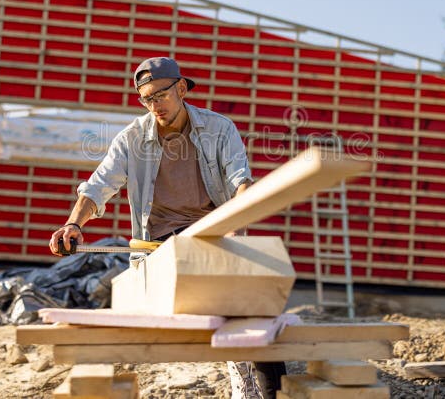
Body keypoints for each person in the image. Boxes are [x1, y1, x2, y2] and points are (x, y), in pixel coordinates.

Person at [48, 56, 285, 399]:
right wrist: (73, 223)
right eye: (147, 99)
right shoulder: (132, 139)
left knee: (257, 304)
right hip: (160, 246)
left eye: (161, 95)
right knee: (222, 300)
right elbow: (98, 186)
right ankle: (241, 372)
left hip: (214, 234)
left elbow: (241, 181)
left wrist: (235, 226)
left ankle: (268, 390)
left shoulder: (219, 129)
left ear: (182, 88)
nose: (155, 105)